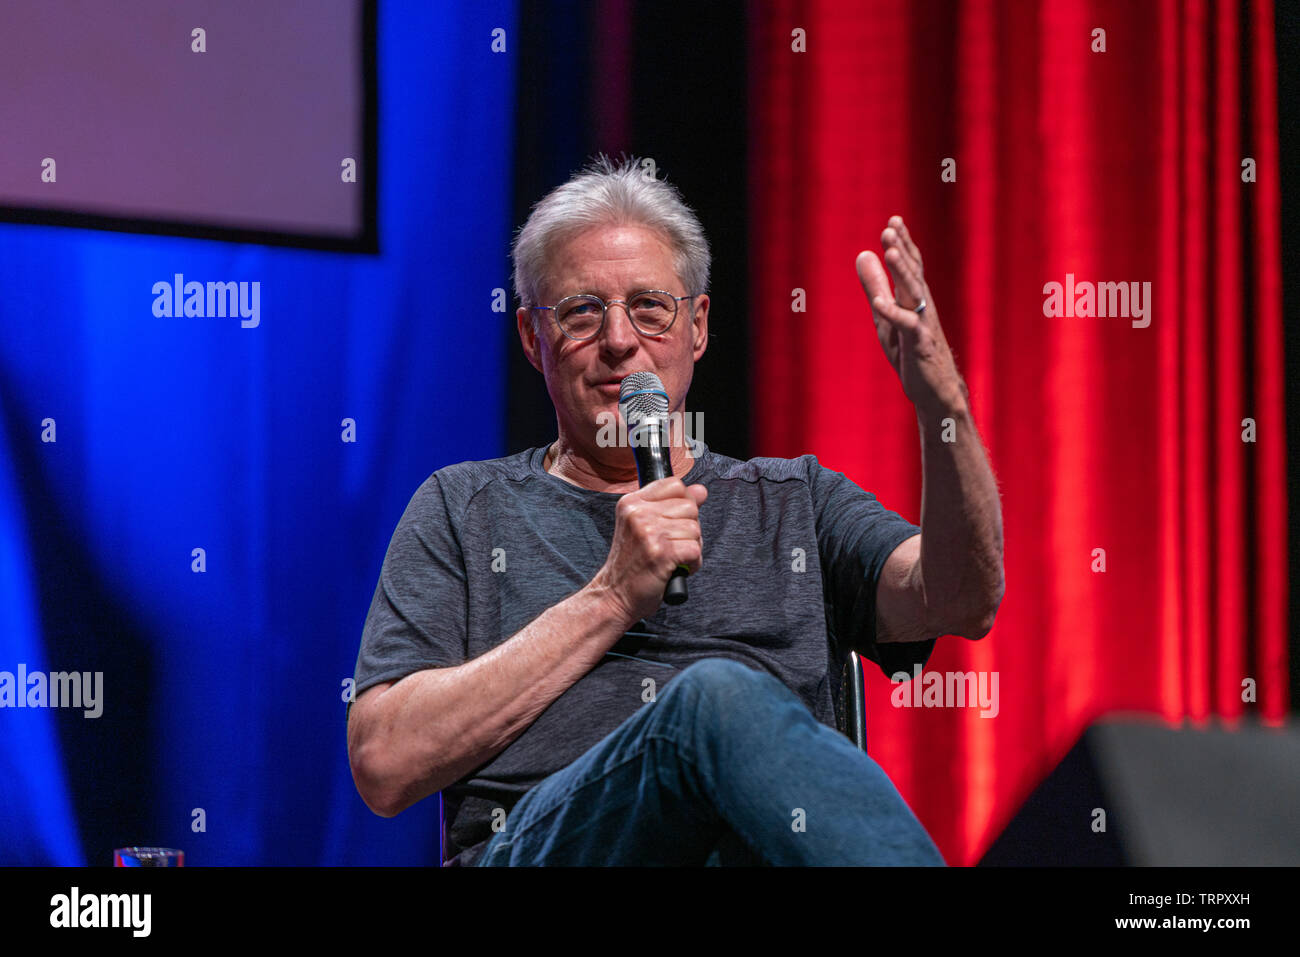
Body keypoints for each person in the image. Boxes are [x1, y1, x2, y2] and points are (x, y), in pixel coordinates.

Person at [346, 155, 1004, 866]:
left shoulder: (793, 501)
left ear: (698, 326)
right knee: (712, 703)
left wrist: (945, 406)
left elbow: (963, 598)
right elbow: (384, 762)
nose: (620, 340)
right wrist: (611, 595)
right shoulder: (464, 509)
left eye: (651, 308)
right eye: (581, 311)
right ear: (534, 341)